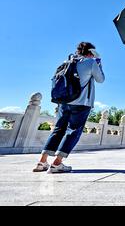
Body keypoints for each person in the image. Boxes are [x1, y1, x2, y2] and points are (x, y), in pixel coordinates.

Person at [33, 42, 105, 173]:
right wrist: (98, 62)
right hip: (82, 103)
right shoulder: (91, 63)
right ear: (91, 52)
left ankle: (42, 162)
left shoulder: (66, 61)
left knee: (58, 129)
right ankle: (57, 163)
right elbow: (100, 79)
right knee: (73, 131)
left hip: (64, 102)